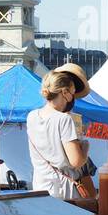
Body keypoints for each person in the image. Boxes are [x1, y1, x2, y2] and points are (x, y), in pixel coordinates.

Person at [27, 69, 96, 205]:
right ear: (64, 92)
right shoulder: (64, 119)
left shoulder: (32, 116)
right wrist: (84, 146)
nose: (73, 97)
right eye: (72, 93)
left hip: (40, 187)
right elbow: (76, 161)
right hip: (64, 190)